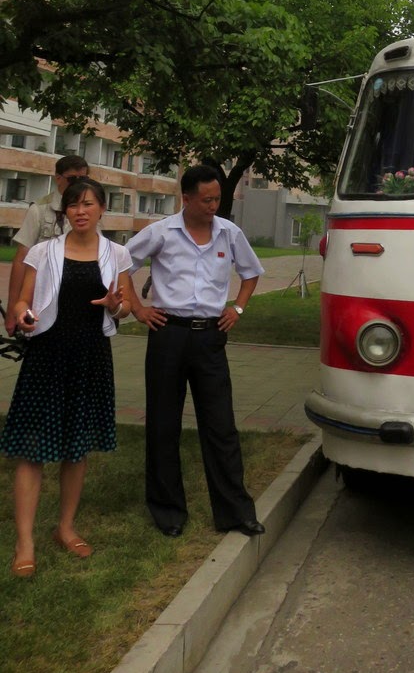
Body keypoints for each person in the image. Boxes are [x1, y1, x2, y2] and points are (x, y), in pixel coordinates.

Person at [1, 178, 131, 578]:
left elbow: (123, 307)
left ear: (101, 208)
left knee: (77, 449)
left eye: (88, 204)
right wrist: (23, 313)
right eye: (72, 205)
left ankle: (65, 527)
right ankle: (25, 541)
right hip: (47, 356)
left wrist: (116, 306)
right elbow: (24, 298)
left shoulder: (117, 253)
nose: (80, 211)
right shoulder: (43, 251)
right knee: (33, 448)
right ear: (64, 211)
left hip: (91, 358)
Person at [127, 164, 266, 538]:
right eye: (206, 199)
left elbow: (251, 272)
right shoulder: (160, 233)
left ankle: (236, 511)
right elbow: (122, 264)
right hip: (167, 334)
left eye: (217, 199)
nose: (212, 205)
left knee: (221, 426)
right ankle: (168, 510)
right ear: (185, 198)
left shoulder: (229, 233)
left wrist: (237, 306)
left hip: (209, 338)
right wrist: (138, 309)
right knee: (163, 423)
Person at [5, 155, 89, 336]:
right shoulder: (40, 209)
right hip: (41, 302)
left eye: (84, 179)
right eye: (73, 179)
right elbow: (21, 260)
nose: (78, 184)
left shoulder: (90, 210)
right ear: (58, 178)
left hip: (77, 303)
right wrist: (13, 309)